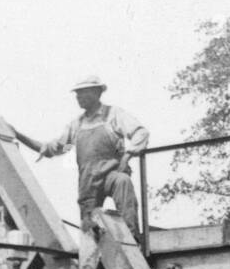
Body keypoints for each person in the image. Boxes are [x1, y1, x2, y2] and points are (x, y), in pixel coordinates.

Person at [25, 75, 149, 239]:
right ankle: (91, 259)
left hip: (111, 175)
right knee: (89, 231)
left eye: (83, 93)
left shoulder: (113, 116)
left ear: (97, 93)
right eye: (77, 94)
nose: (78, 97)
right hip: (88, 183)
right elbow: (58, 148)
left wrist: (128, 154)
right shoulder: (76, 127)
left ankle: (132, 240)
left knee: (123, 182)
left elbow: (140, 132)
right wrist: (20, 136)